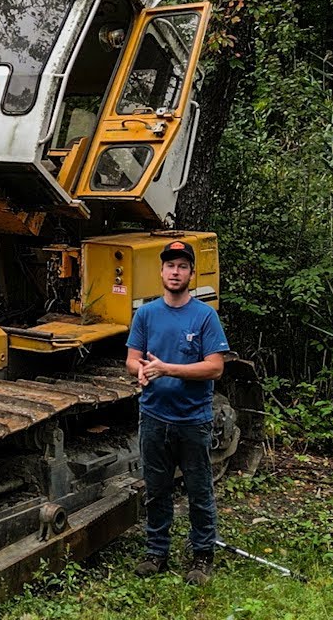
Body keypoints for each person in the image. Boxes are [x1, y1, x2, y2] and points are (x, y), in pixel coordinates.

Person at [125, 239, 230, 585]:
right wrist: (139, 370)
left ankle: (202, 556)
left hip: (192, 420)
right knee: (156, 489)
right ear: (161, 271)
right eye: (170, 265)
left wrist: (168, 369)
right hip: (154, 417)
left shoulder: (204, 316)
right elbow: (131, 358)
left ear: (191, 273)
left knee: (199, 491)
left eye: (182, 266)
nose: (175, 271)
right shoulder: (146, 314)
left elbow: (215, 368)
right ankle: (157, 552)